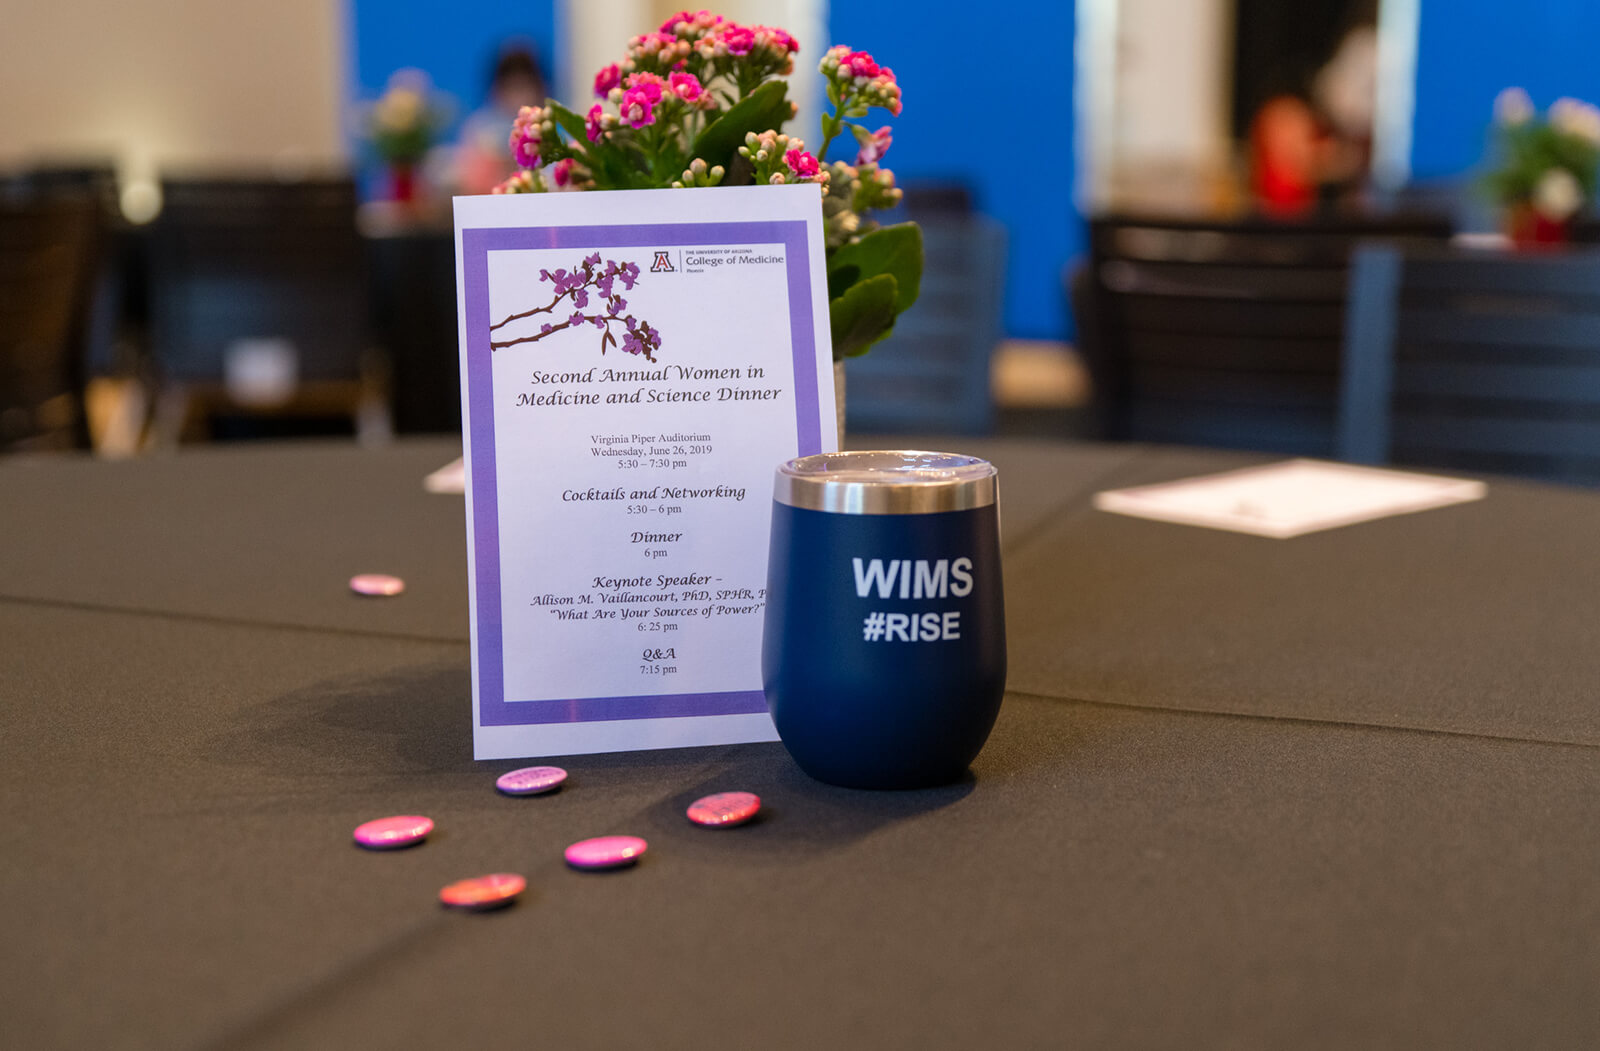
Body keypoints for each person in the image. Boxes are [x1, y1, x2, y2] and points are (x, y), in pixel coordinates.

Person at [456, 45, 548, 195]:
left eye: (525, 86)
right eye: (512, 87)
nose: (519, 97)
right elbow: (469, 184)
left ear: (541, 87)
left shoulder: (554, 127)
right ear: (496, 89)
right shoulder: (479, 127)